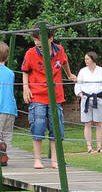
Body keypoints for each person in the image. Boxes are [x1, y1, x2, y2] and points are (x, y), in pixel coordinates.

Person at [22, 29, 76, 170]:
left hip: (55, 96)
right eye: (35, 40)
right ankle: (38, 160)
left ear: (51, 38)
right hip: (37, 96)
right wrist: (25, 87)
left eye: (40, 39)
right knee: (38, 127)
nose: (37, 43)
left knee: (56, 128)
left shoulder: (59, 51)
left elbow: (64, 62)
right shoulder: (31, 53)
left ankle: (54, 160)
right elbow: (25, 71)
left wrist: (69, 75)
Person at [74, 51, 102, 153]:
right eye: (85, 59)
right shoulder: (82, 71)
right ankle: (89, 147)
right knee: (87, 123)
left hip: (99, 99)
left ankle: (99, 147)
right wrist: (81, 95)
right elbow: (78, 85)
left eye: (87, 59)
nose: (85, 61)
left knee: (99, 123)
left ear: (93, 59)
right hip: (86, 99)